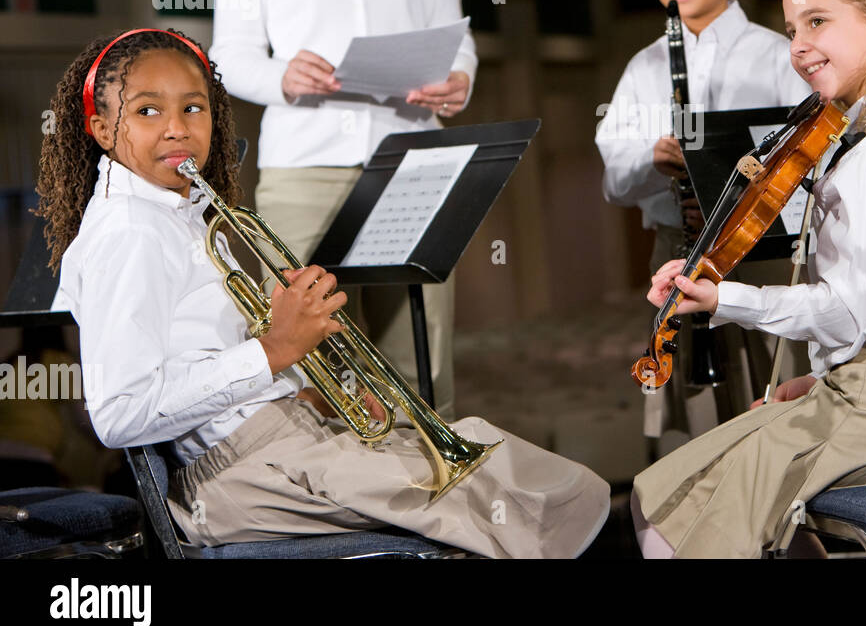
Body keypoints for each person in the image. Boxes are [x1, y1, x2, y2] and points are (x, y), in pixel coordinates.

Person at [37, 28, 609, 557]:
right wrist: (274, 351)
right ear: (100, 127)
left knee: (489, 459)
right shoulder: (130, 231)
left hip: (281, 444)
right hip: (244, 475)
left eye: (194, 107)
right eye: (147, 111)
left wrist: (305, 389)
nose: (177, 127)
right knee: (499, 502)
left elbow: (200, 353)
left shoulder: (175, 210)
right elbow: (118, 415)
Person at [631, 0, 866, 558]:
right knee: (684, 493)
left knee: (664, 508)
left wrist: (723, 298)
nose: (798, 48)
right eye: (792, 29)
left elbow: (847, 313)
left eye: (818, 22)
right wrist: (825, 379)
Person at [209, 0, 470, 419]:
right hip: (305, 173)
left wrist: (460, 78)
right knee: (317, 370)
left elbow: (454, 36)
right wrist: (283, 79)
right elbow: (229, 59)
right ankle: (333, 520)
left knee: (420, 357)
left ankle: (428, 516)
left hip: (414, 166)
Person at [596, 0, 809, 448]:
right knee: (698, 429)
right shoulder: (643, 66)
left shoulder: (777, 54)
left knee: (776, 402)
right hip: (676, 252)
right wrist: (653, 158)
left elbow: (812, 161)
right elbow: (614, 182)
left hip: (759, 254)